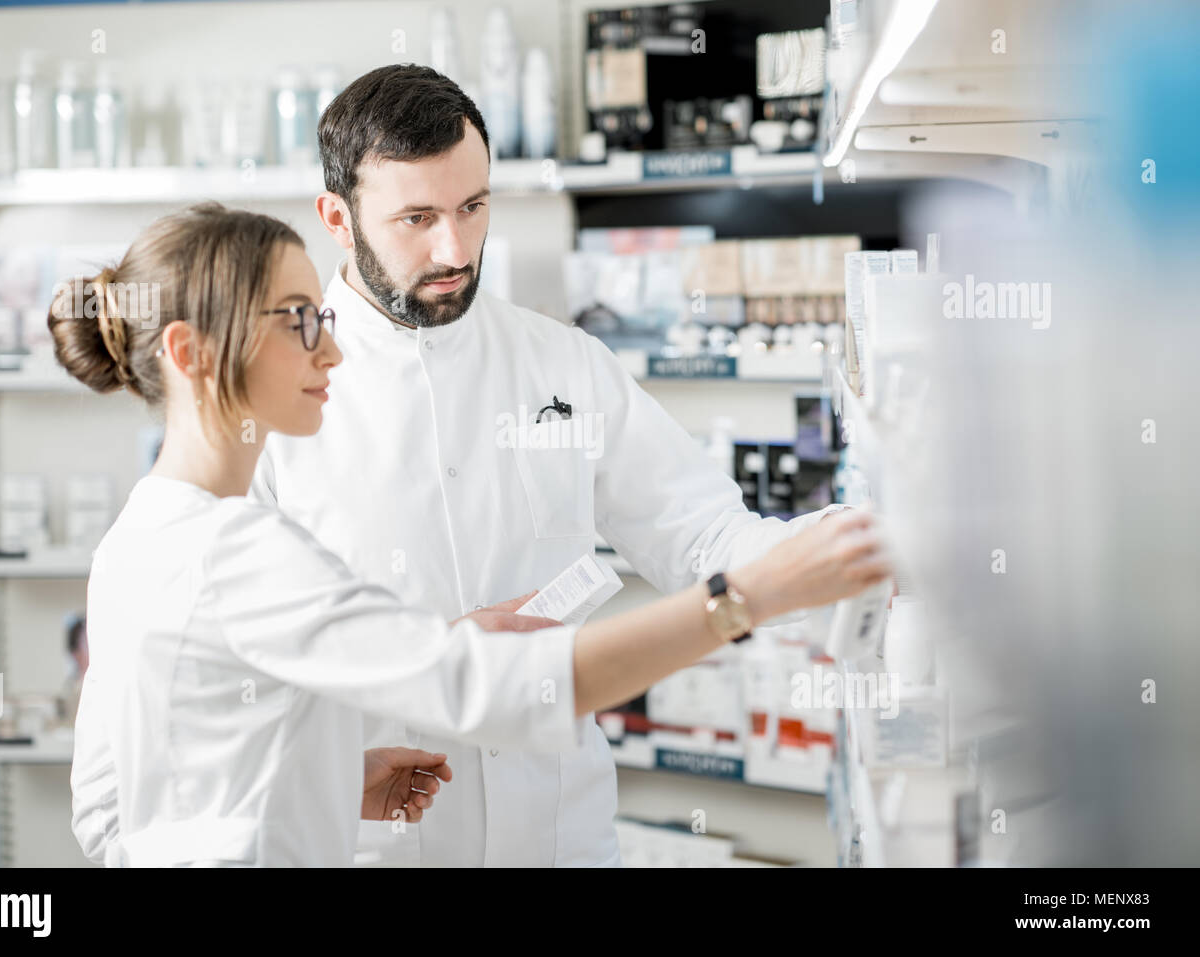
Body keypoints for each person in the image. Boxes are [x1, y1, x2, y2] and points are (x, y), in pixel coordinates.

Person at [56, 202, 890, 867]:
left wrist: (319, 783)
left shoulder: (137, 539)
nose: (333, 351)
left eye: (473, 204)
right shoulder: (236, 550)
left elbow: (107, 803)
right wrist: (745, 599)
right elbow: (483, 686)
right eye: (300, 321)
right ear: (191, 352)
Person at [250, 64, 862, 867]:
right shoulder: (274, 401)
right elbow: (244, 679)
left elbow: (708, 538)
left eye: (474, 207)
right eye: (417, 218)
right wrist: (430, 661)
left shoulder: (562, 365)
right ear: (338, 217)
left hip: (560, 837)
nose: (455, 248)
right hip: (381, 845)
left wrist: (861, 542)